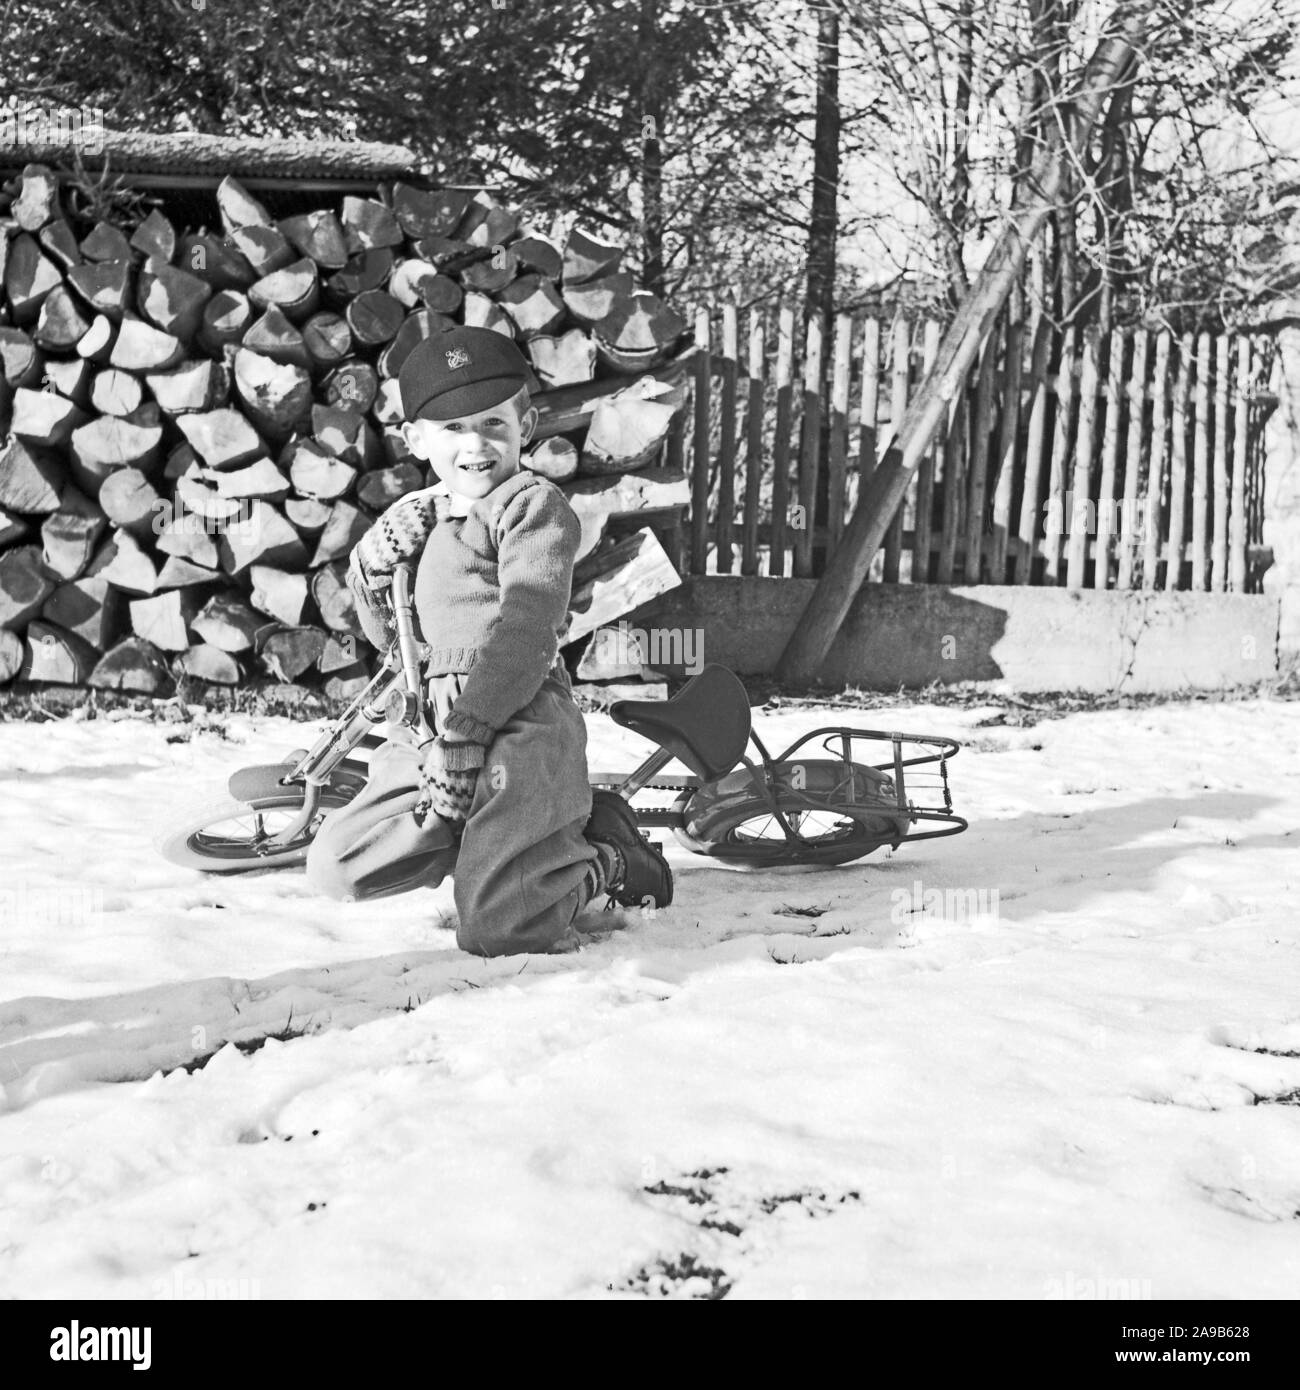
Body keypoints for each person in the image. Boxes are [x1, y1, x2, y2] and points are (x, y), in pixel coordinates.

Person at [304, 326, 673, 955]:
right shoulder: (421, 518)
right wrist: (370, 561)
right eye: (451, 429)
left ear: (525, 426)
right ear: (414, 438)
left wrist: (470, 733)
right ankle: (489, 848)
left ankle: (607, 856)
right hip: (426, 725)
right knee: (339, 870)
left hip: (515, 721)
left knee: (506, 930)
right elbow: (389, 637)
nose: (475, 445)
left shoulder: (531, 506)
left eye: (493, 425)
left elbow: (527, 627)